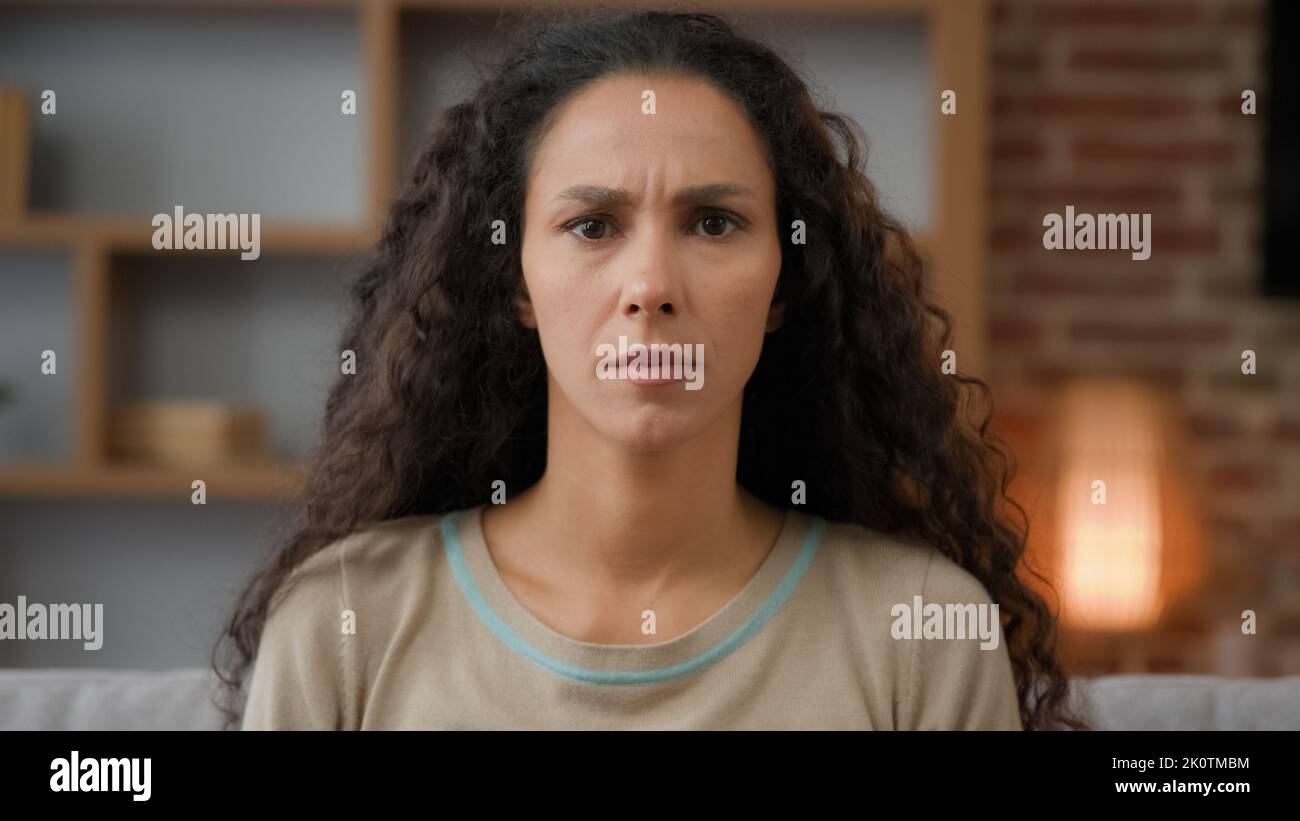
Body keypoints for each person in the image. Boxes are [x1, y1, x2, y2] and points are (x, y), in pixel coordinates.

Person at [217, 9, 1086, 731]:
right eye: (593, 225)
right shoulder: (342, 619)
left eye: (713, 223)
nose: (651, 287)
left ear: (786, 282)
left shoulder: (926, 631)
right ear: (515, 280)